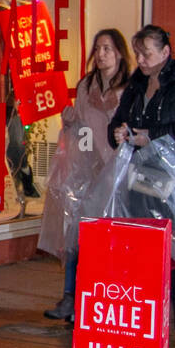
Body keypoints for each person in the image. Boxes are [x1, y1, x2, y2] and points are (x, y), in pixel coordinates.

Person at [109, 25, 175, 334]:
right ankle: (148, 301)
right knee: (143, 237)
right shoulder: (137, 84)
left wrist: (153, 137)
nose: (140, 59)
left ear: (165, 53)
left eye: (146, 54)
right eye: (137, 53)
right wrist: (117, 133)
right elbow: (119, 119)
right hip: (141, 173)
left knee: (171, 238)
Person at [43, 28, 132, 321]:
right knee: (77, 235)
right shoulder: (86, 85)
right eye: (99, 48)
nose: (103, 54)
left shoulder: (130, 87)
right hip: (86, 170)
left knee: (108, 237)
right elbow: (80, 122)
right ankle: (70, 297)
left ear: (119, 53)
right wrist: (69, 121)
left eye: (108, 48)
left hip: (114, 170)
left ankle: (101, 297)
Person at [0, 0, 43, 212]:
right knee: (4, 141)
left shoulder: (20, 17)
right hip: (0, 91)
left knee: (15, 140)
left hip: (14, 91)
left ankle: (23, 180)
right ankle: (15, 187)